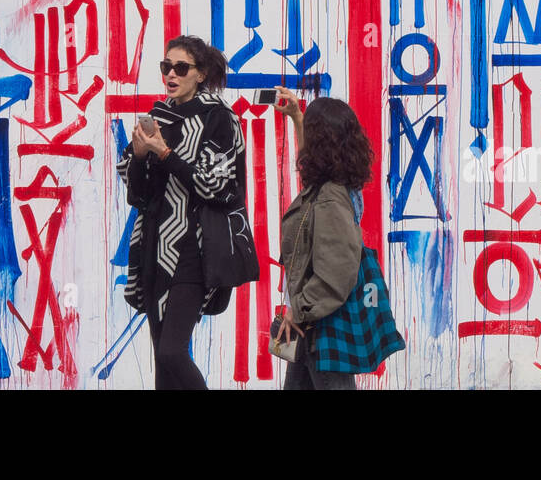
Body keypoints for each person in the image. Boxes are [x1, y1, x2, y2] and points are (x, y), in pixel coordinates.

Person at [116, 35, 244, 389]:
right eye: (166, 67)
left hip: (195, 250)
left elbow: (215, 186)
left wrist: (165, 154)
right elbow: (136, 192)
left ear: (200, 74)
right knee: (162, 361)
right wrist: (141, 155)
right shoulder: (159, 115)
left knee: (173, 352)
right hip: (154, 248)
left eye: (180, 68)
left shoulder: (219, 119)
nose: (171, 74)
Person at [272, 88, 372, 390]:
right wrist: (297, 118)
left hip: (322, 326)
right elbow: (310, 170)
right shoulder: (334, 184)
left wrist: (297, 309)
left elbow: (336, 271)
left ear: (321, 142)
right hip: (311, 326)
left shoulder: (329, 198)